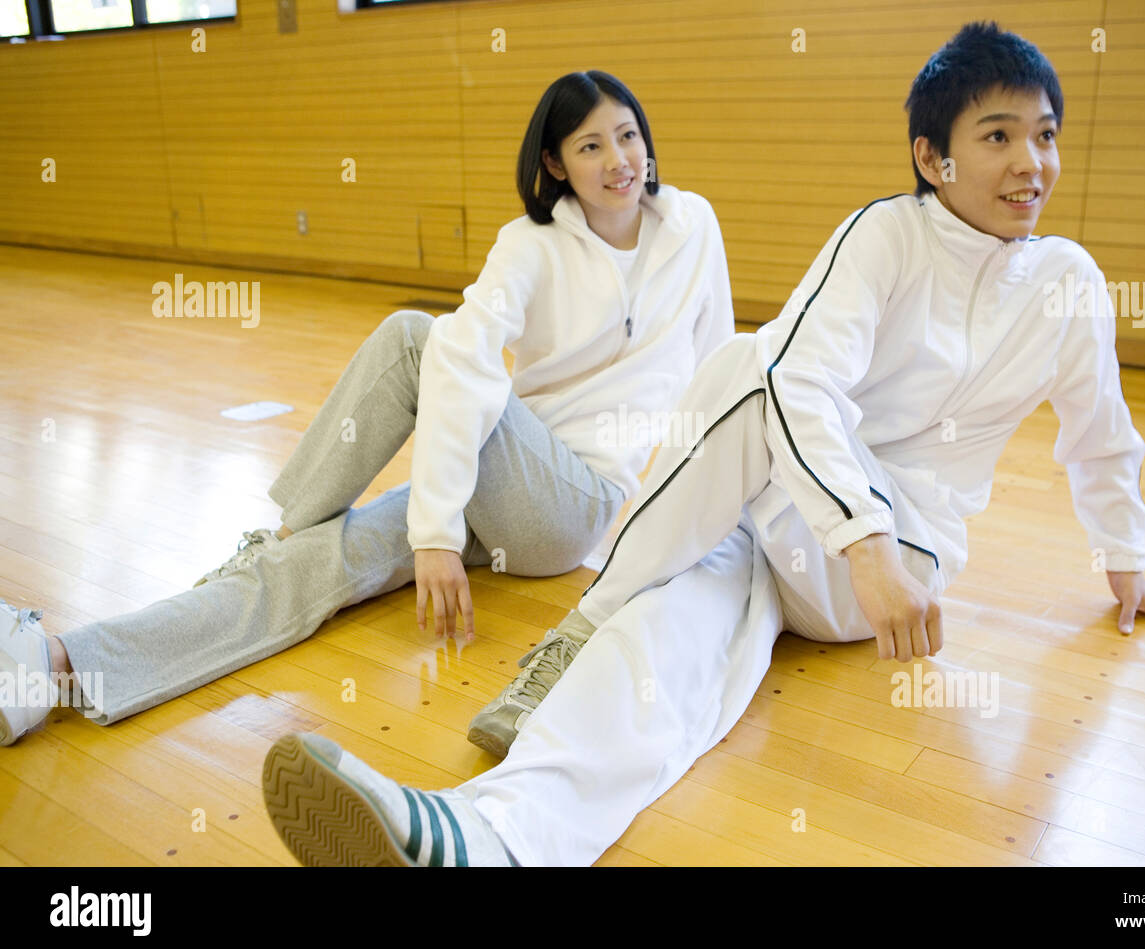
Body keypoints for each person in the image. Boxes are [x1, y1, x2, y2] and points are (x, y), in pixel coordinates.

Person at [259, 21, 1145, 867]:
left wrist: (1124, 562)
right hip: (778, 525)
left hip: (890, 572)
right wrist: (848, 532)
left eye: (1044, 136)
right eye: (998, 137)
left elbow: (1102, 434)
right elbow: (806, 388)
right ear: (935, 158)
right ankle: (490, 836)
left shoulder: (1071, 281)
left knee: (750, 370)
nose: (1030, 163)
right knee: (676, 637)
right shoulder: (884, 236)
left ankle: (585, 619)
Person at [0, 70, 734, 747]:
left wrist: (440, 533)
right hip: (507, 478)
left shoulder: (693, 226)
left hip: (573, 508)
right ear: (554, 165)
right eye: (591, 145)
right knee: (321, 563)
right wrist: (438, 530)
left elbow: (719, 361)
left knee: (417, 338)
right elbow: (470, 366)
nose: (619, 160)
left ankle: (286, 526)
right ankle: (59, 666)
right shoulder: (529, 246)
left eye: (628, 135)